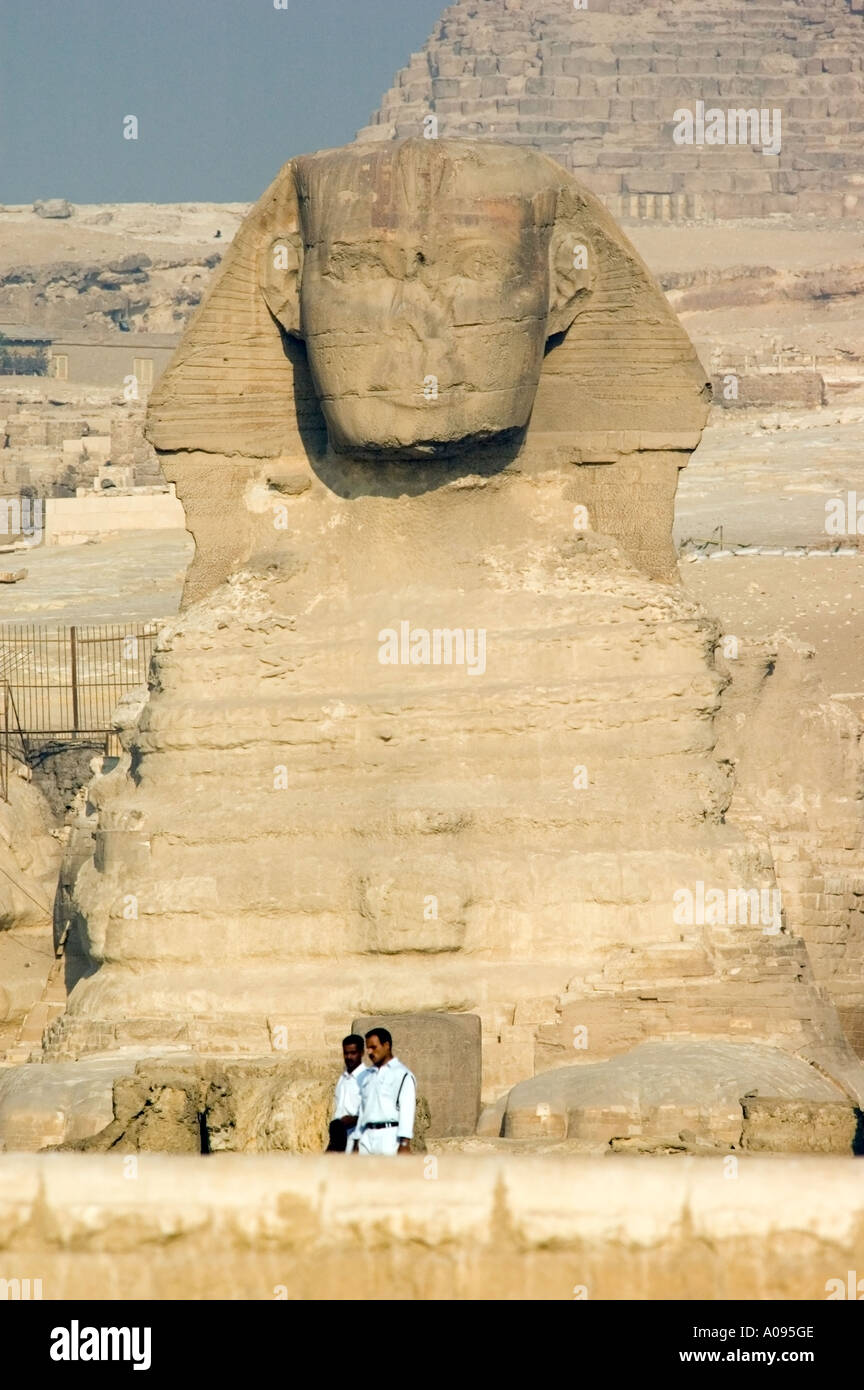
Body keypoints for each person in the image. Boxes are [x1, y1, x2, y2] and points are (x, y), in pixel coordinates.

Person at [354, 1028, 416, 1156]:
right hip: (366, 1138)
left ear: (386, 1046)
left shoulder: (402, 1074)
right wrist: (356, 1141)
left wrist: (404, 1144)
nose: (369, 1052)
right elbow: (362, 1109)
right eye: (368, 1048)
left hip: (389, 1137)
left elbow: (407, 1110)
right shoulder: (366, 1076)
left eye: (373, 1047)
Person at [326, 1034, 368, 1153]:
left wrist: (353, 1119)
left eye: (353, 1053)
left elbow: (371, 1113)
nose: (349, 1057)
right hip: (340, 1140)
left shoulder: (367, 1078)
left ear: (361, 1053)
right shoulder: (342, 1079)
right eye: (346, 1053)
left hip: (358, 1141)